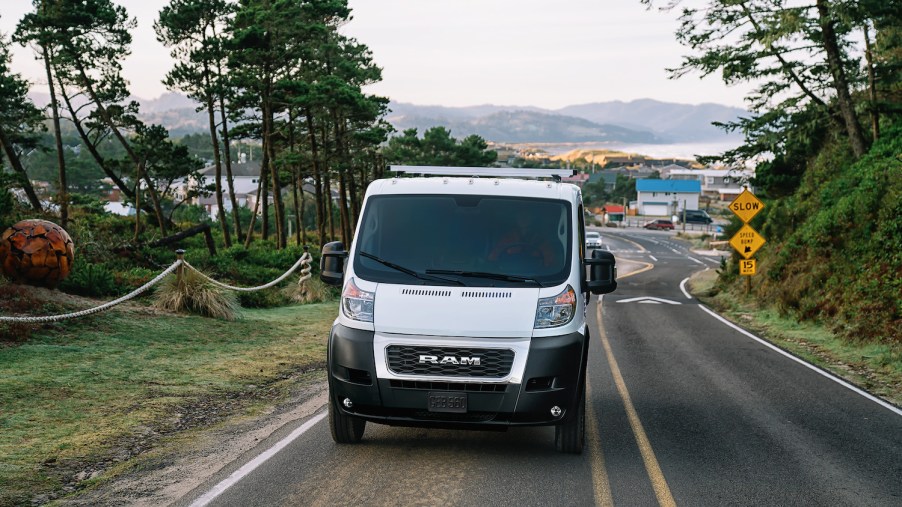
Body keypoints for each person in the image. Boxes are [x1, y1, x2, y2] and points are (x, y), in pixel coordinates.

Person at [488, 214, 559, 268]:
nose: (523, 219)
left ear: (532, 219)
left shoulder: (540, 239)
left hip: (535, 276)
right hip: (508, 273)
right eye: (521, 216)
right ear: (516, 219)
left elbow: (550, 261)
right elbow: (493, 257)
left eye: (527, 216)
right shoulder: (508, 238)